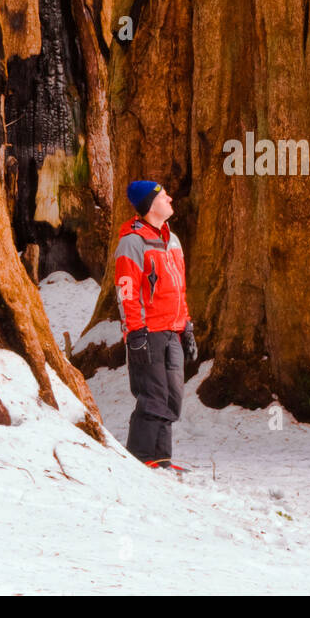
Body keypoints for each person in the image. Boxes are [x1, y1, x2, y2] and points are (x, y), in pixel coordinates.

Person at [113, 180, 198, 470]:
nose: (170, 198)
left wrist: (185, 325)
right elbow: (126, 290)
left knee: (172, 396)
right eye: (163, 196)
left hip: (172, 330)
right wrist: (134, 331)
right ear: (149, 205)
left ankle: (161, 458)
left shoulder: (172, 240)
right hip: (147, 332)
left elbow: (178, 288)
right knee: (153, 394)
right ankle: (141, 457)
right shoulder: (132, 242)